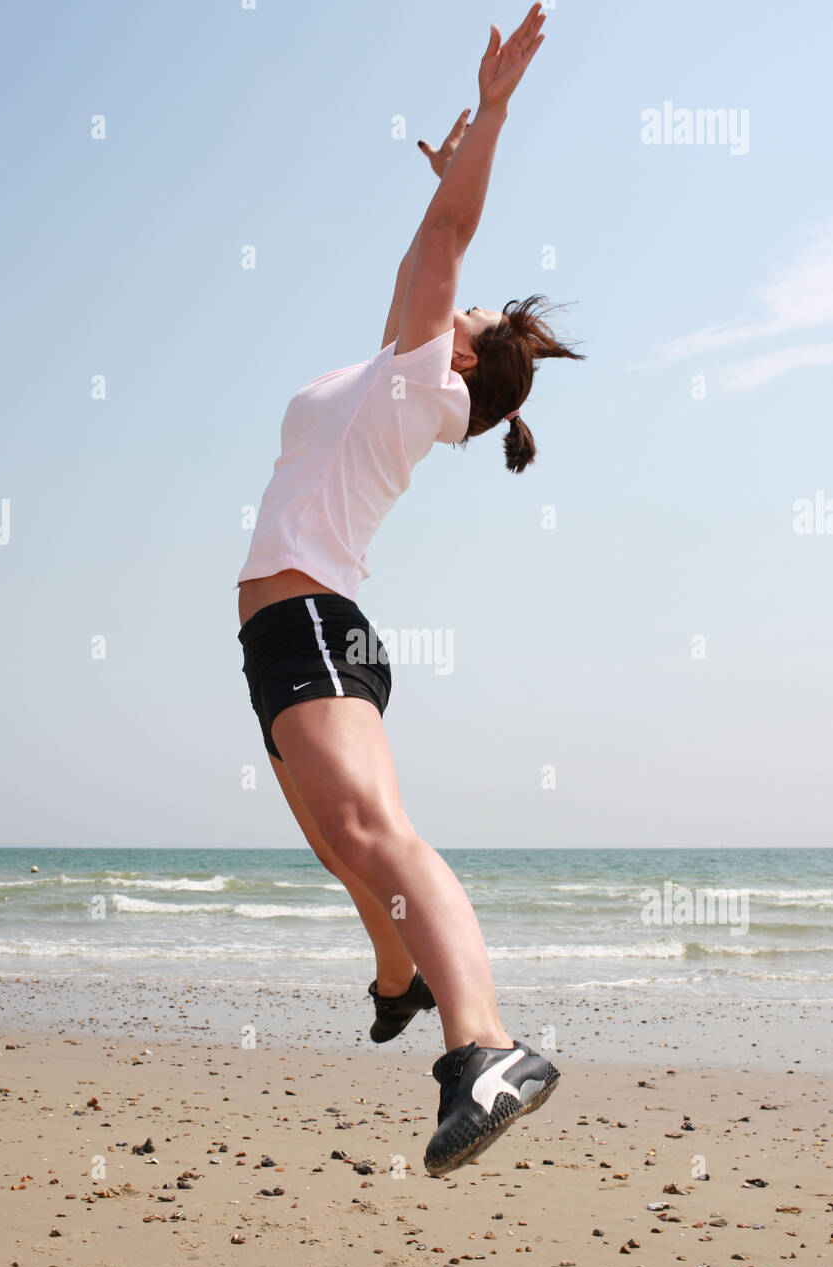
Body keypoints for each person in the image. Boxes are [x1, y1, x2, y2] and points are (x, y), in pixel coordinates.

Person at [236, 3, 582, 1176]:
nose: (457, 297)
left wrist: (490, 114)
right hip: (298, 631)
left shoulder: (409, 383)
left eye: (466, 310)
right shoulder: (399, 376)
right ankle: (400, 977)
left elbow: (446, 225)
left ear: (464, 355)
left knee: (378, 833)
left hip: (313, 624)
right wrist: (459, 152)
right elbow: (437, 242)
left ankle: (483, 1046)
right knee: (345, 846)